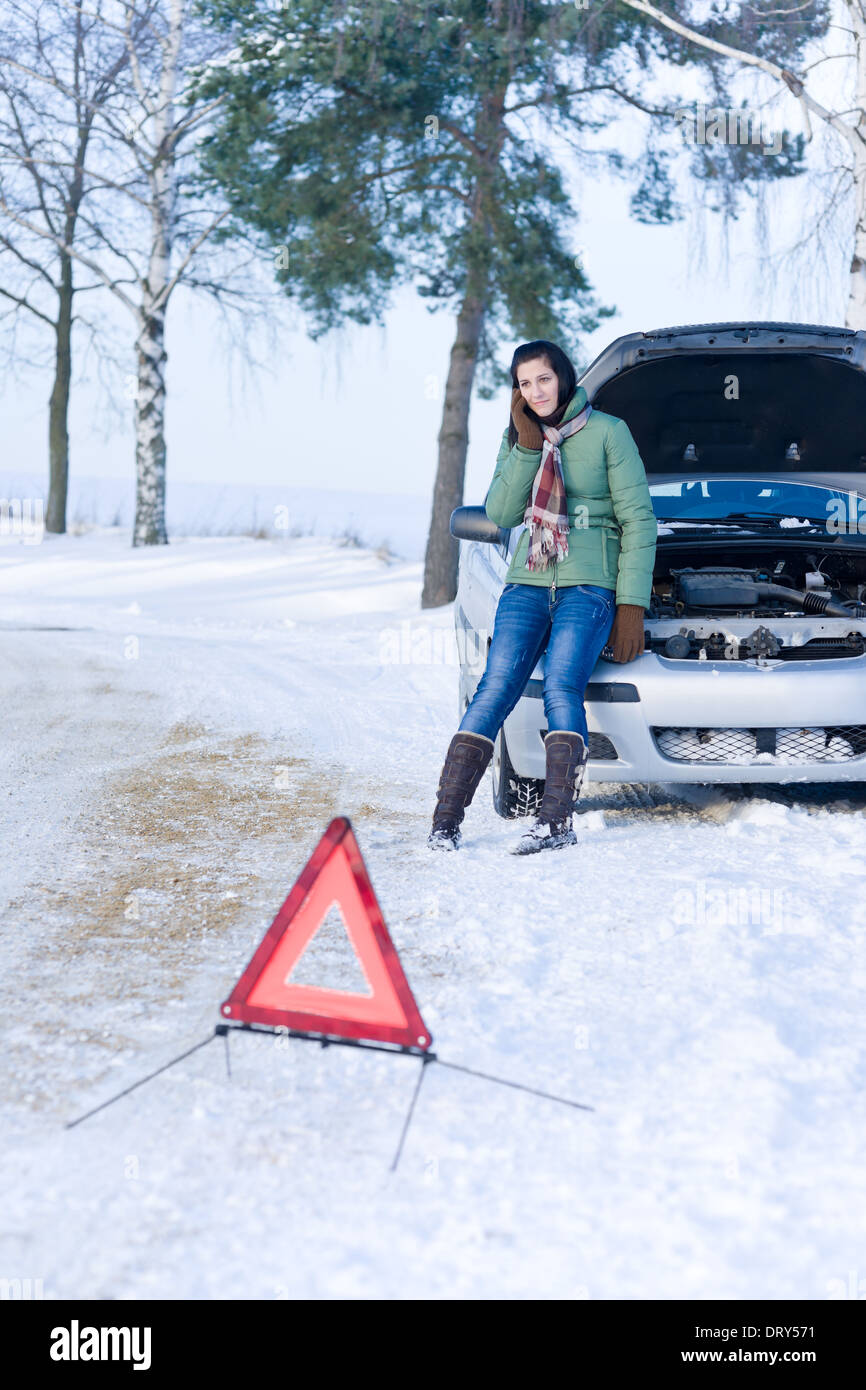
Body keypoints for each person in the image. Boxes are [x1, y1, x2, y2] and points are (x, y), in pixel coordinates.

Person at [428, 339, 657, 854]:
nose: (536, 391)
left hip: (588, 584)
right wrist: (528, 446)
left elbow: (638, 521)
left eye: (544, 379)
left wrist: (631, 606)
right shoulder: (517, 438)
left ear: (564, 378)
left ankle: (555, 822)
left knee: (560, 687)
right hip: (527, 582)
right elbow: (503, 513)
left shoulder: (607, 432)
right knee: (494, 689)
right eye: (525, 383)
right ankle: (445, 823)